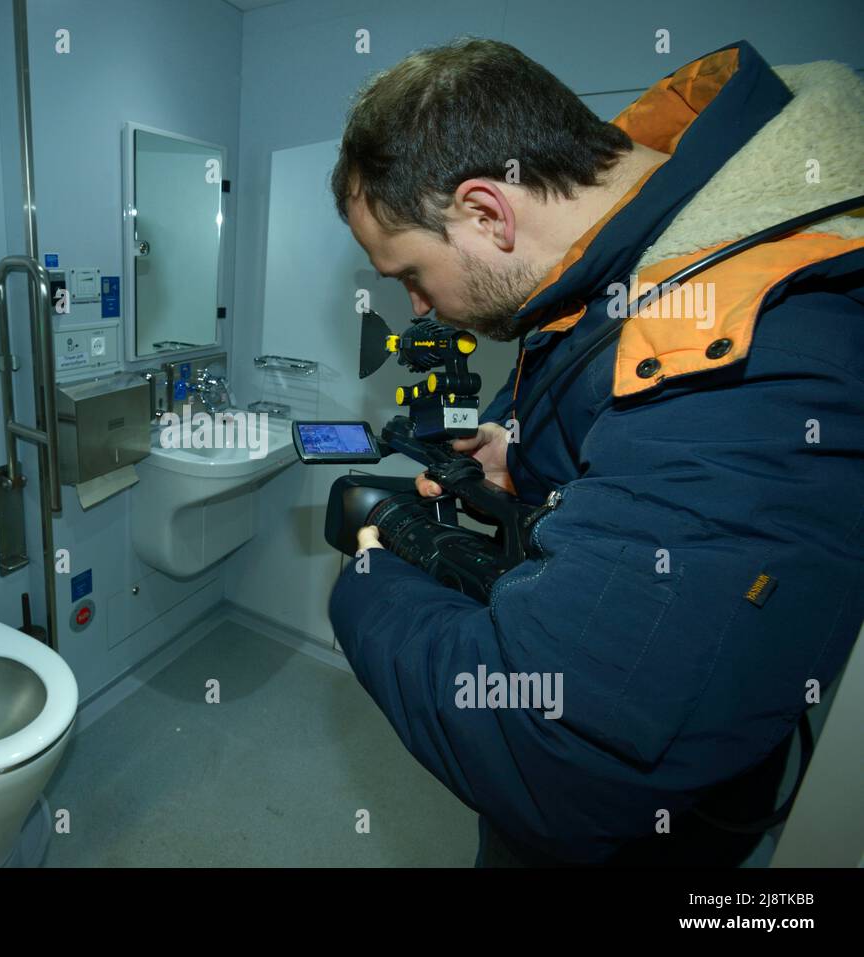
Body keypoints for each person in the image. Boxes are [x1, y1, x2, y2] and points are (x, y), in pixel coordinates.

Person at [327, 37, 864, 865]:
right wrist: (521, 452)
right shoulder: (639, 257)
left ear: (486, 214)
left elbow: (545, 746)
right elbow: (616, 432)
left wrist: (370, 571)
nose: (415, 302)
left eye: (408, 270)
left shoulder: (751, 344)